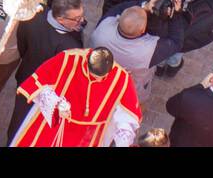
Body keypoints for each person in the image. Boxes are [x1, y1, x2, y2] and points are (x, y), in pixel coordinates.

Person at [11, 46, 143, 146]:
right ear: (87, 62)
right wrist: (56, 103)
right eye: (94, 75)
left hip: (89, 134)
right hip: (55, 122)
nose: (96, 79)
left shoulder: (121, 77)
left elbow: (127, 115)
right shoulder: (69, 58)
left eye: (101, 77)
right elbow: (39, 84)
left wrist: (123, 138)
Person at [7, 0, 88, 140]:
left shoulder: (34, 15)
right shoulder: (68, 47)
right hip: (43, 89)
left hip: (26, 74)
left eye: (82, 15)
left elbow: (22, 45)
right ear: (61, 19)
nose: (82, 21)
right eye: (77, 19)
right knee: (24, 121)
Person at [89, 0, 188, 93]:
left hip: (99, 74)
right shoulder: (148, 51)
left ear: (119, 19)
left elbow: (119, 8)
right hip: (130, 87)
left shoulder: (103, 27)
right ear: (142, 30)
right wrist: (176, 14)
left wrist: (143, 6)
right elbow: (176, 42)